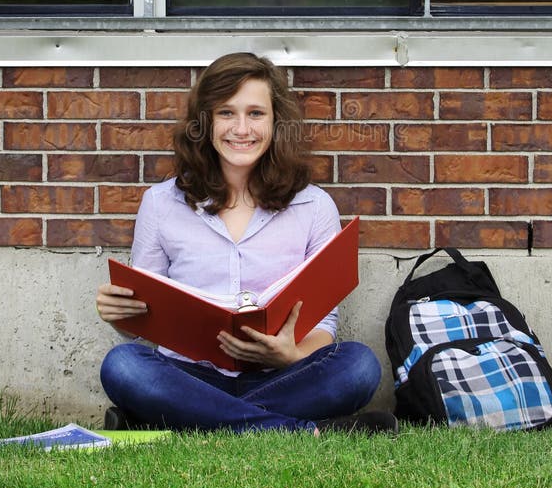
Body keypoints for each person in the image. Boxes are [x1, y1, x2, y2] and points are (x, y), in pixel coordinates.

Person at [96, 52, 397, 435]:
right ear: (204, 123)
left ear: (275, 123)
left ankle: (186, 420)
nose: (242, 128)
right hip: (190, 377)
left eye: (256, 114)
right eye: (226, 113)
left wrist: (292, 355)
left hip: (281, 378)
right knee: (124, 365)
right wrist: (121, 315)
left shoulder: (314, 205)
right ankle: (298, 430)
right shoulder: (161, 203)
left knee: (359, 366)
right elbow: (144, 320)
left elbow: (324, 323)